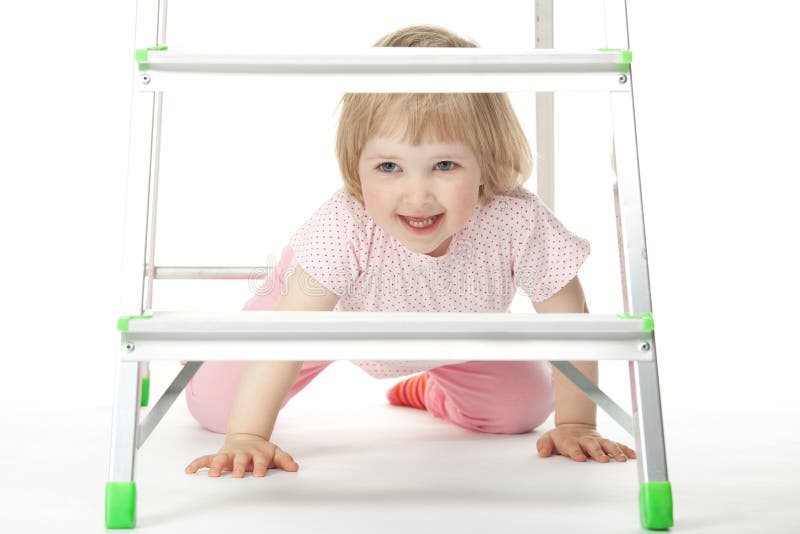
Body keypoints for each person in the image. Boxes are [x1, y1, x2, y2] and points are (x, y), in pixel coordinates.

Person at [185, 24, 636, 478]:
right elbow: (286, 338)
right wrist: (247, 437)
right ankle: (214, 351)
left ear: (487, 160)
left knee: (522, 411)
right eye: (388, 167)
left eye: (444, 165)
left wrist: (577, 423)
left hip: (458, 329)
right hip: (322, 314)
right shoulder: (346, 224)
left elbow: (570, 321)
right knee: (219, 411)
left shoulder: (517, 220)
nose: (416, 195)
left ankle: (424, 388)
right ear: (357, 166)